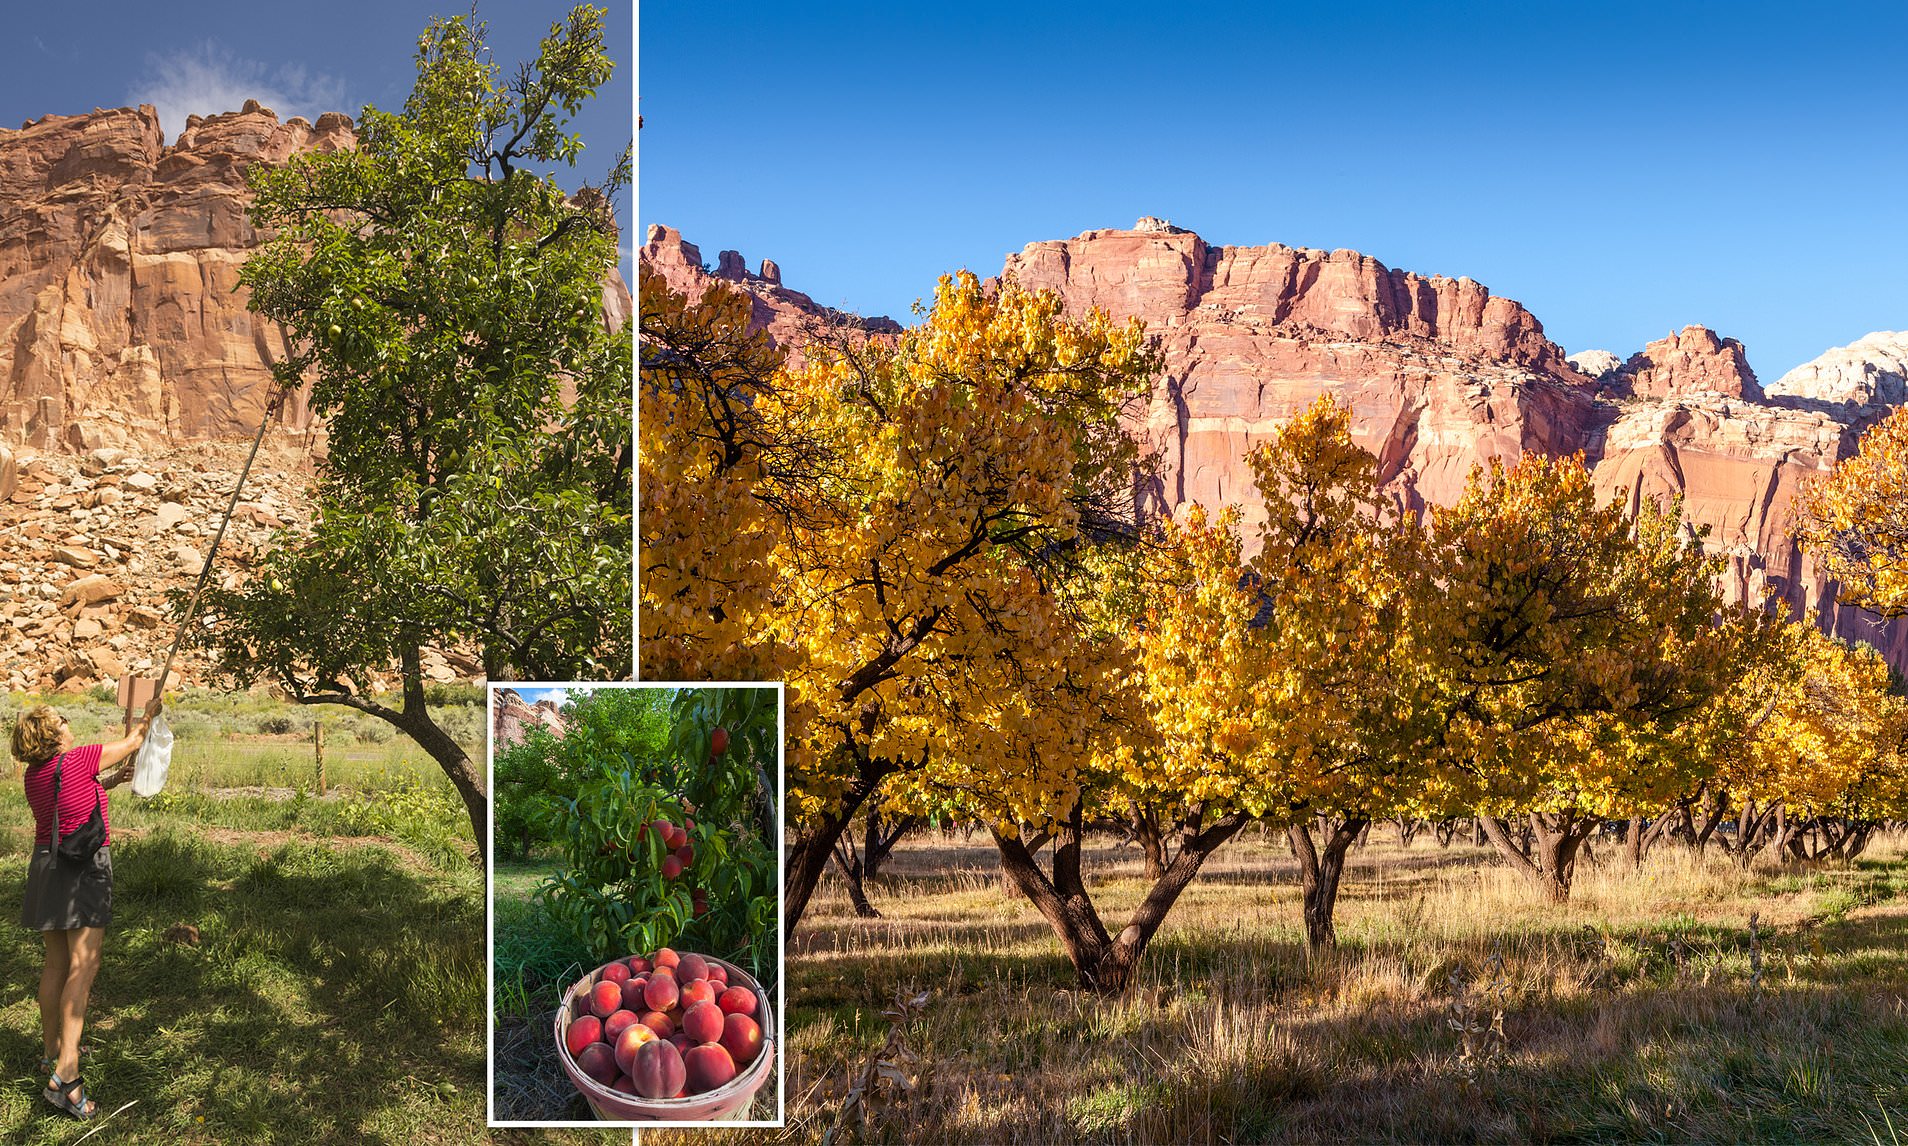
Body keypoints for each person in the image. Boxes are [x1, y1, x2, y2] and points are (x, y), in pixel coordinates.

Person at [10, 695, 161, 1120]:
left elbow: (67, 800)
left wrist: (107, 782)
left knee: (56, 965)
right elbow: (134, 741)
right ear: (53, 735)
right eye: (61, 720)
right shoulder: (79, 758)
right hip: (83, 869)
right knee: (84, 966)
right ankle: (66, 1076)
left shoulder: (36, 774)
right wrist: (150, 712)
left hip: (47, 866)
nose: (68, 723)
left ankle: (51, 1052)